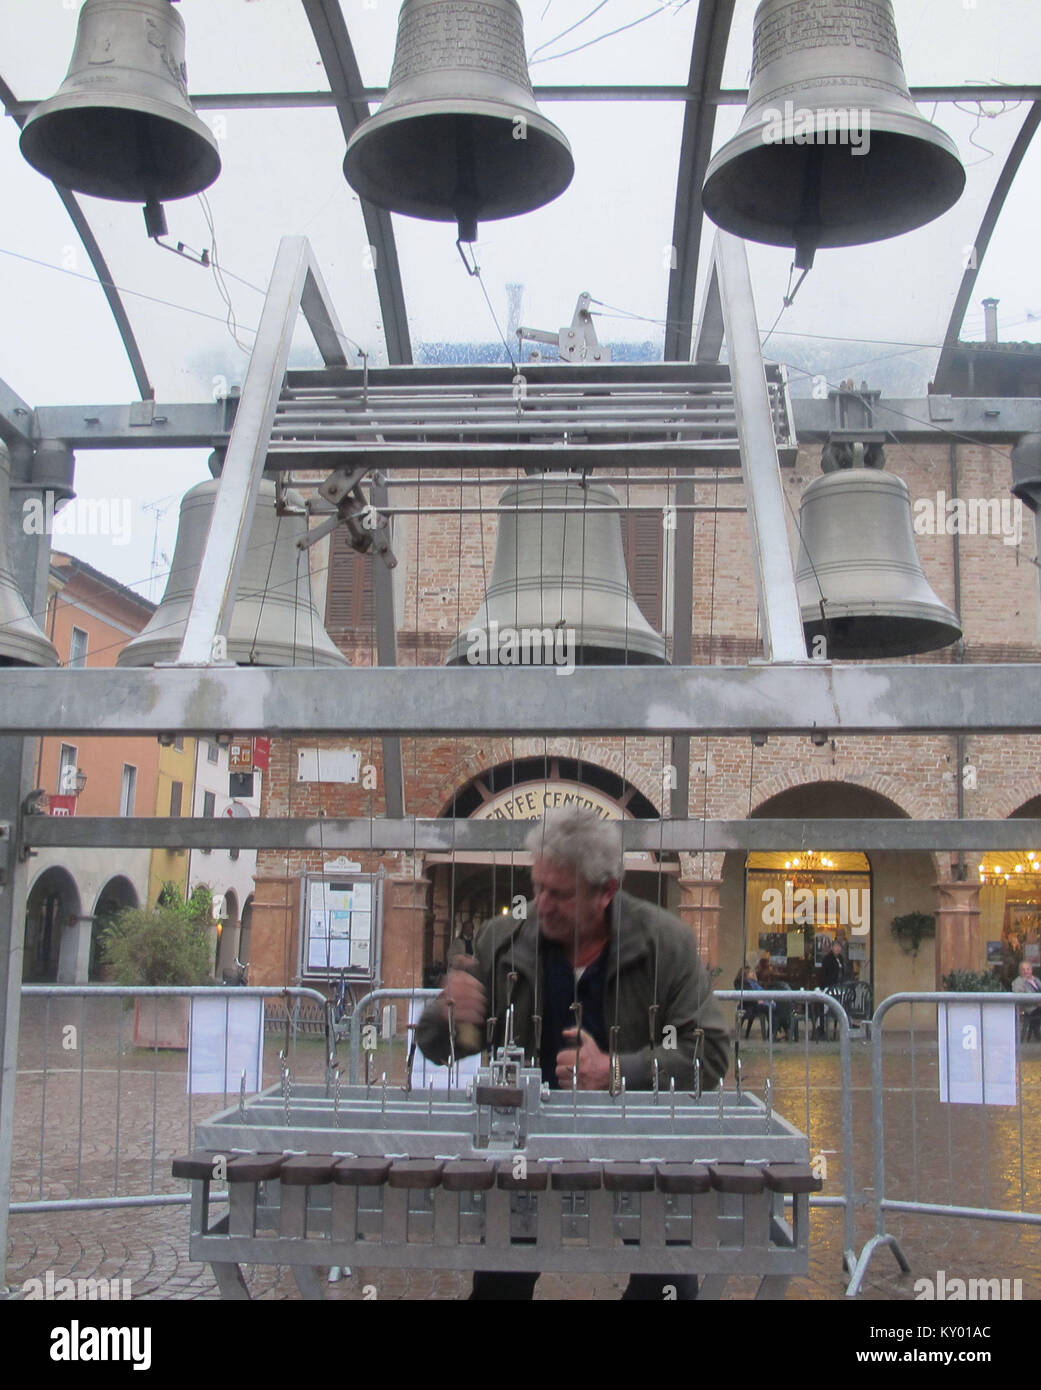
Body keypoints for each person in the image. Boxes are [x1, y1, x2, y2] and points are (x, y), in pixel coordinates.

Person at [416, 806, 730, 1301]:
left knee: (668, 1285)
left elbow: (707, 1054)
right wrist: (447, 1015)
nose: (541, 904)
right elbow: (446, 1048)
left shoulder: (665, 943)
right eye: (537, 886)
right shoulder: (502, 943)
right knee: (499, 1286)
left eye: (560, 894)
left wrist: (615, 1072)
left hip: (637, 1153)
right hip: (525, 1152)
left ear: (607, 892)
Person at [1012, 959, 1041, 1042]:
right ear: (1019, 971)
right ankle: (1037, 1033)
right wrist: (1037, 1003)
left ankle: (1037, 1033)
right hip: (1030, 1007)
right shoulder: (1018, 982)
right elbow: (1020, 997)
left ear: (1031, 970)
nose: (1026, 971)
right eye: (1023, 969)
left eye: (1028, 969)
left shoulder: (1036, 979)